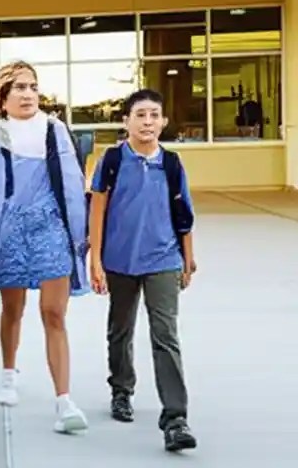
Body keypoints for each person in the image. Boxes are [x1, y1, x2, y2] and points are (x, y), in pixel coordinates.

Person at [0, 61, 89, 434]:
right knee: (13, 308)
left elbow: (71, 182)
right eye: (19, 87)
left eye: (33, 86)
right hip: (10, 231)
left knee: (54, 313)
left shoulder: (54, 129)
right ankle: (7, 372)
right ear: (3, 96)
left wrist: (80, 237)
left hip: (50, 227)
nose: (28, 94)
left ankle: (64, 401)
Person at [87, 89, 198, 452]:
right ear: (126, 121)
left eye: (154, 115)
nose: (147, 122)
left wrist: (188, 256)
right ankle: (122, 389)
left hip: (162, 260)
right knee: (120, 329)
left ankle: (175, 418)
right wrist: (96, 260)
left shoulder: (172, 163)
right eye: (140, 115)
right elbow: (98, 210)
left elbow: (183, 214)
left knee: (165, 334)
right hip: (119, 261)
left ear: (163, 121)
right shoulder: (113, 159)